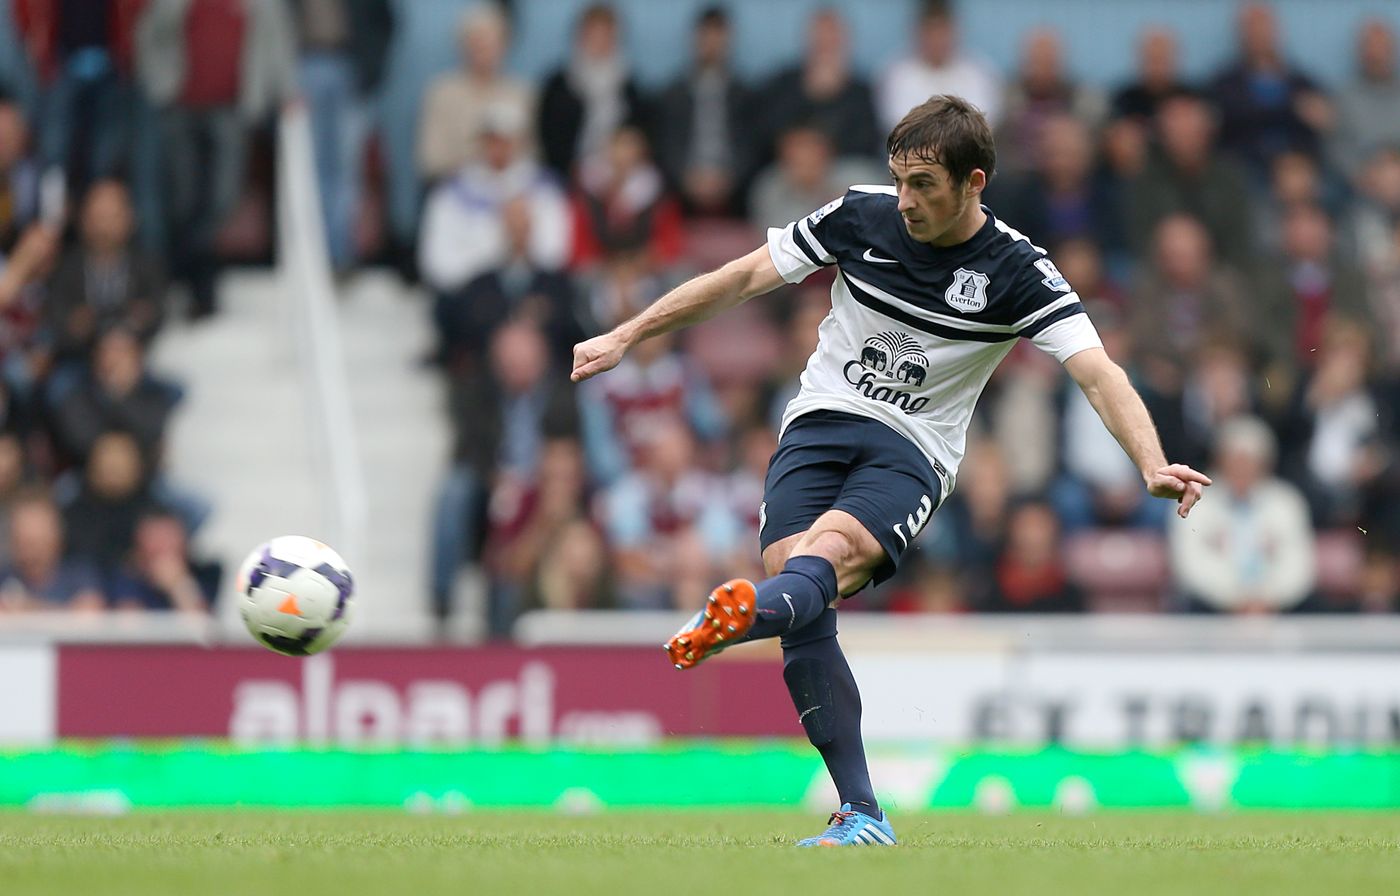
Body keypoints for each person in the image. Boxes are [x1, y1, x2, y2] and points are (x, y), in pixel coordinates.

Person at [570, 95, 1211, 846]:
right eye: (899, 180)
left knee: (825, 556)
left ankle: (750, 618)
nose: (905, 200)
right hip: (819, 420)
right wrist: (627, 331)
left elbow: (1098, 372)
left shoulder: (1018, 269)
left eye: (924, 185)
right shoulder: (859, 215)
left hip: (911, 448)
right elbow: (743, 277)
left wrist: (1150, 460)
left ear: (974, 183)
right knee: (796, 582)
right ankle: (860, 808)